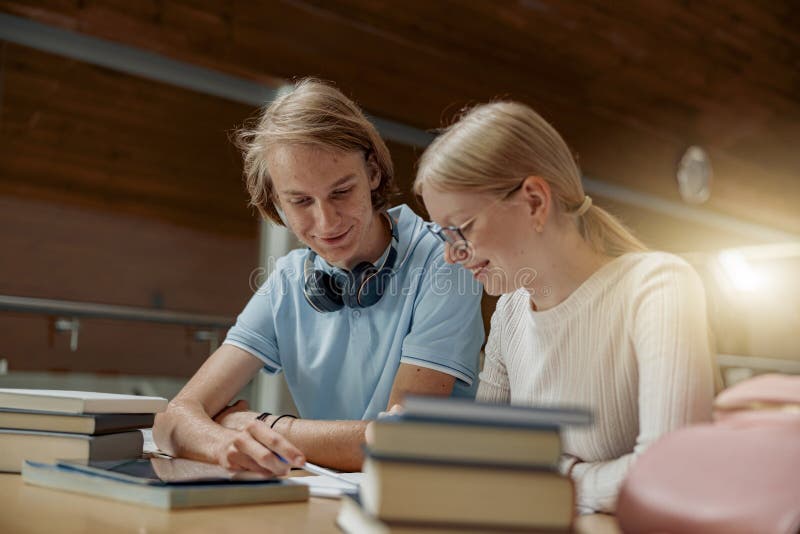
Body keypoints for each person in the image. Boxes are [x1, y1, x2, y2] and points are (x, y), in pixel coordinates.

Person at [153, 79, 484, 474]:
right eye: (301, 201)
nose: (326, 222)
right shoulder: (288, 281)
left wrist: (256, 425)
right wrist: (223, 442)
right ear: (277, 201)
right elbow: (175, 417)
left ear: (373, 172)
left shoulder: (446, 261)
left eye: (341, 192)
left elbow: (399, 442)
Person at [413, 101, 716, 513]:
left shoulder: (658, 287)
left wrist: (557, 477)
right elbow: (489, 460)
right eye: (442, 233)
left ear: (535, 201)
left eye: (461, 229)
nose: (451, 254)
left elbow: (668, 473)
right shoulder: (510, 314)